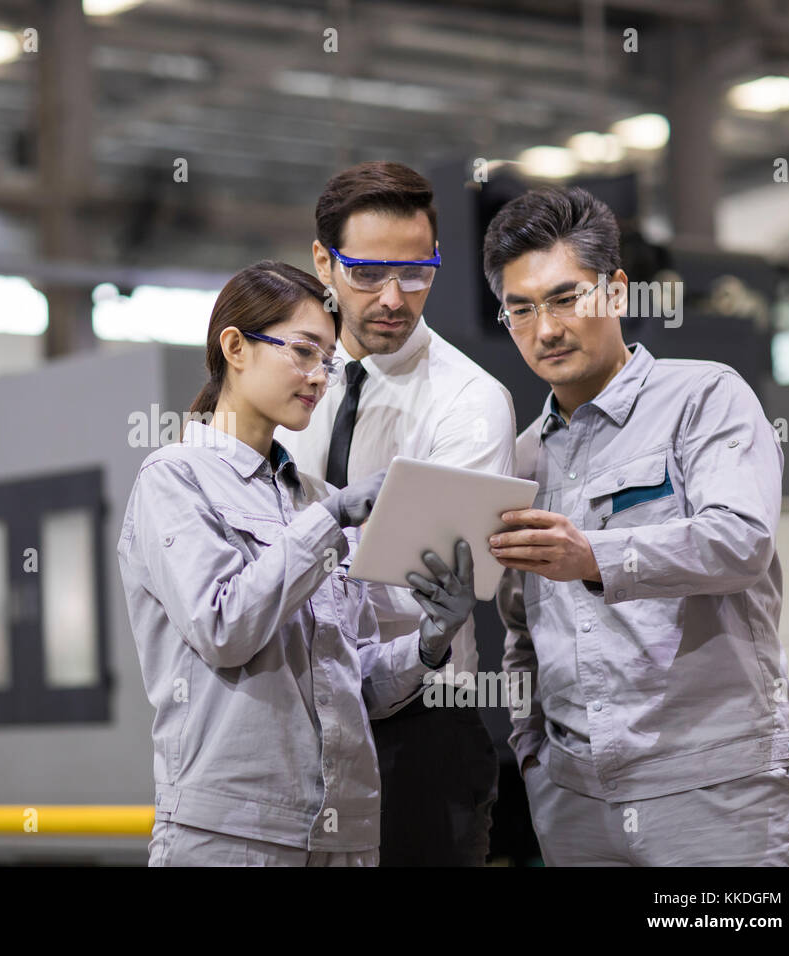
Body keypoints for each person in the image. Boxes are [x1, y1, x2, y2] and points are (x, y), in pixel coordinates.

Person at [484, 185, 789, 866]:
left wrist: (592, 556)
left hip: (711, 787)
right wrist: (532, 750)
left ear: (618, 291)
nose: (545, 329)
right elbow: (522, 630)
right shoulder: (522, 458)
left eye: (566, 298)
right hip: (572, 797)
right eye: (521, 308)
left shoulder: (705, 399)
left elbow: (739, 540)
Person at [117, 260, 476, 866]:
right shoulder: (174, 479)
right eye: (304, 352)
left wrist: (429, 643)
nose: (318, 378)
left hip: (347, 833)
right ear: (234, 346)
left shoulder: (311, 497)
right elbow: (224, 629)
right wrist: (331, 520)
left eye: (328, 362)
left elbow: (353, 678)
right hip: (234, 834)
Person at [274, 161, 515, 865]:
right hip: (298, 713)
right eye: (368, 272)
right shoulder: (282, 394)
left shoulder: (468, 403)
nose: (394, 298)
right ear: (323, 259)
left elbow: (426, 578)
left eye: (417, 273)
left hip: (421, 725)